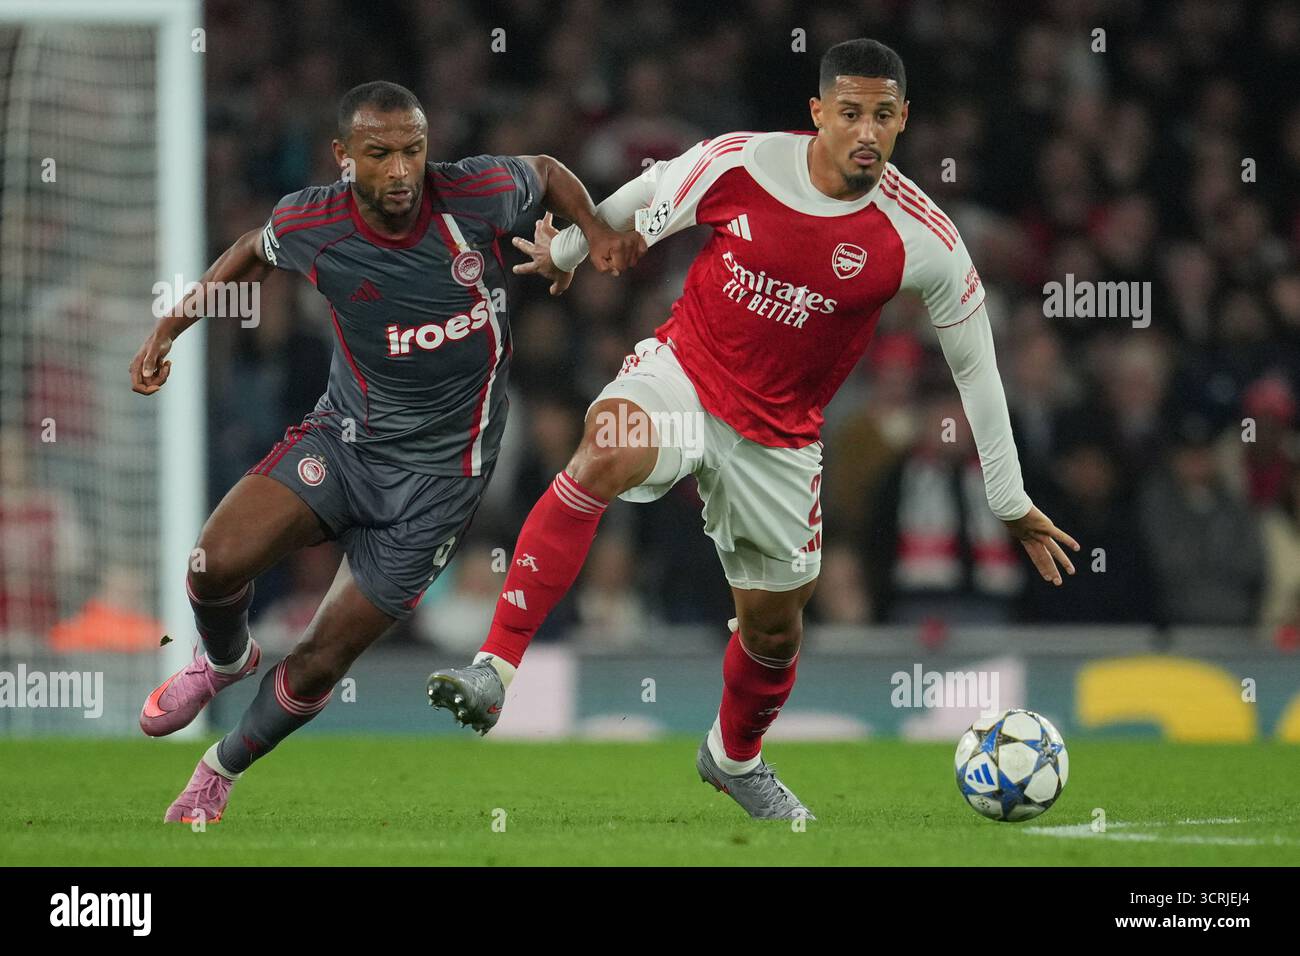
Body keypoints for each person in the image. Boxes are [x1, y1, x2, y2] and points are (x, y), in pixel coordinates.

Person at [427, 40, 1078, 820]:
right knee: (608, 448)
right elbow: (651, 190)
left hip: (781, 440)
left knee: (773, 630)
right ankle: (493, 669)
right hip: (684, 374)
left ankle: (734, 759)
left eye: (881, 115)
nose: (864, 130)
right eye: (848, 114)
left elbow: (976, 368)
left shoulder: (924, 239)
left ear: (903, 120)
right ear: (818, 115)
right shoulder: (745, 164)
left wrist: (1008, 498)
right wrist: (571, 245)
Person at [128, 80, 642, 824]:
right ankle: (224, 659)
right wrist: (166, 332)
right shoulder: (313, 223)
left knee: (318, 659)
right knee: (212, 563)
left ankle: (219, 771)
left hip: (440, 483)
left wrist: (590, 233)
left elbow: (551, 169)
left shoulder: (478, 193)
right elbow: (248, 252)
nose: (401, 170)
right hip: (346, 441)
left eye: (412, 150)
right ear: (344, 157)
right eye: (379, 154)